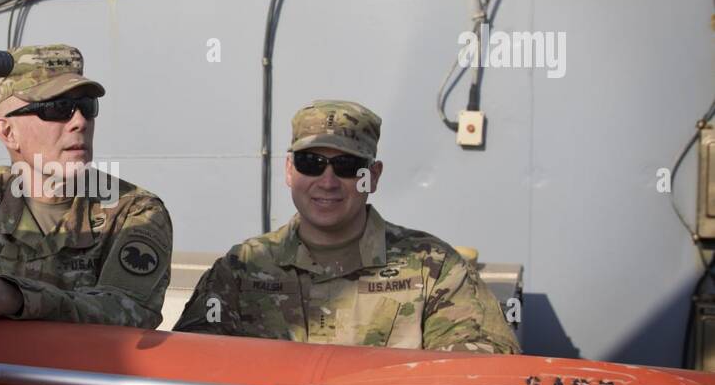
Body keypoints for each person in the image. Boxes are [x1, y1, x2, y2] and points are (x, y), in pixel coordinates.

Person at [174, 99, 520, 353]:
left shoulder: (433, 267)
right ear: (289, 171)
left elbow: (486, 361)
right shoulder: (243, 268)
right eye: (311, 163)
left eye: (347, 166)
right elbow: (193, 358)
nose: (327, 182)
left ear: (373, 176)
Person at [0, 44, 172, 328]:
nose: (79, 121)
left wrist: (14, 297)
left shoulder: (133, 212)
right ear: (8, 132)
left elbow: (128, 312)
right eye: (58, 109)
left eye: (86, 106)